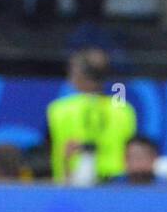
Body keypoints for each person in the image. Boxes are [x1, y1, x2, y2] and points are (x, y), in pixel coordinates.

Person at [45, 47, 136, 183]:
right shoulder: (123, 109)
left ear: (79, 74)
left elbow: (47, 148)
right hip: (115, 184)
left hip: (71, 182)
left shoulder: (59, 109)